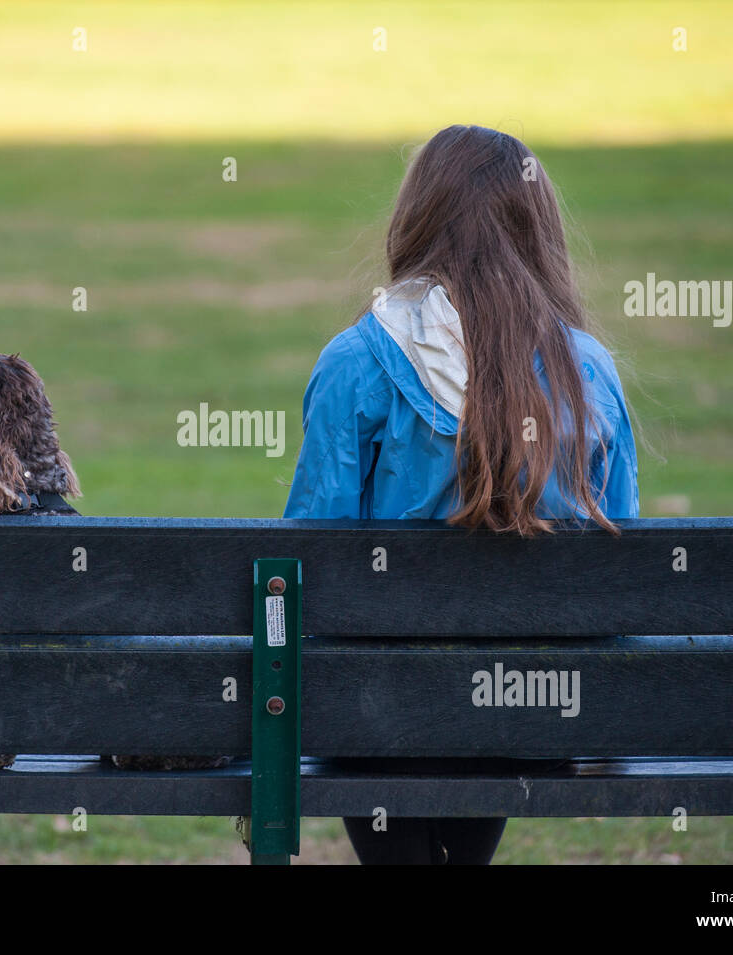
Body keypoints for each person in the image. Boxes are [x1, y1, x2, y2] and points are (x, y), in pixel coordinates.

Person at [282, 124, 640, 864]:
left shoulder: (357, 362)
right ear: (538, 229)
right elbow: (625, 574)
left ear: (415, 218)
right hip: (541, 714)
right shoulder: (590, 372)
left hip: (380, 717)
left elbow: (307, 562)